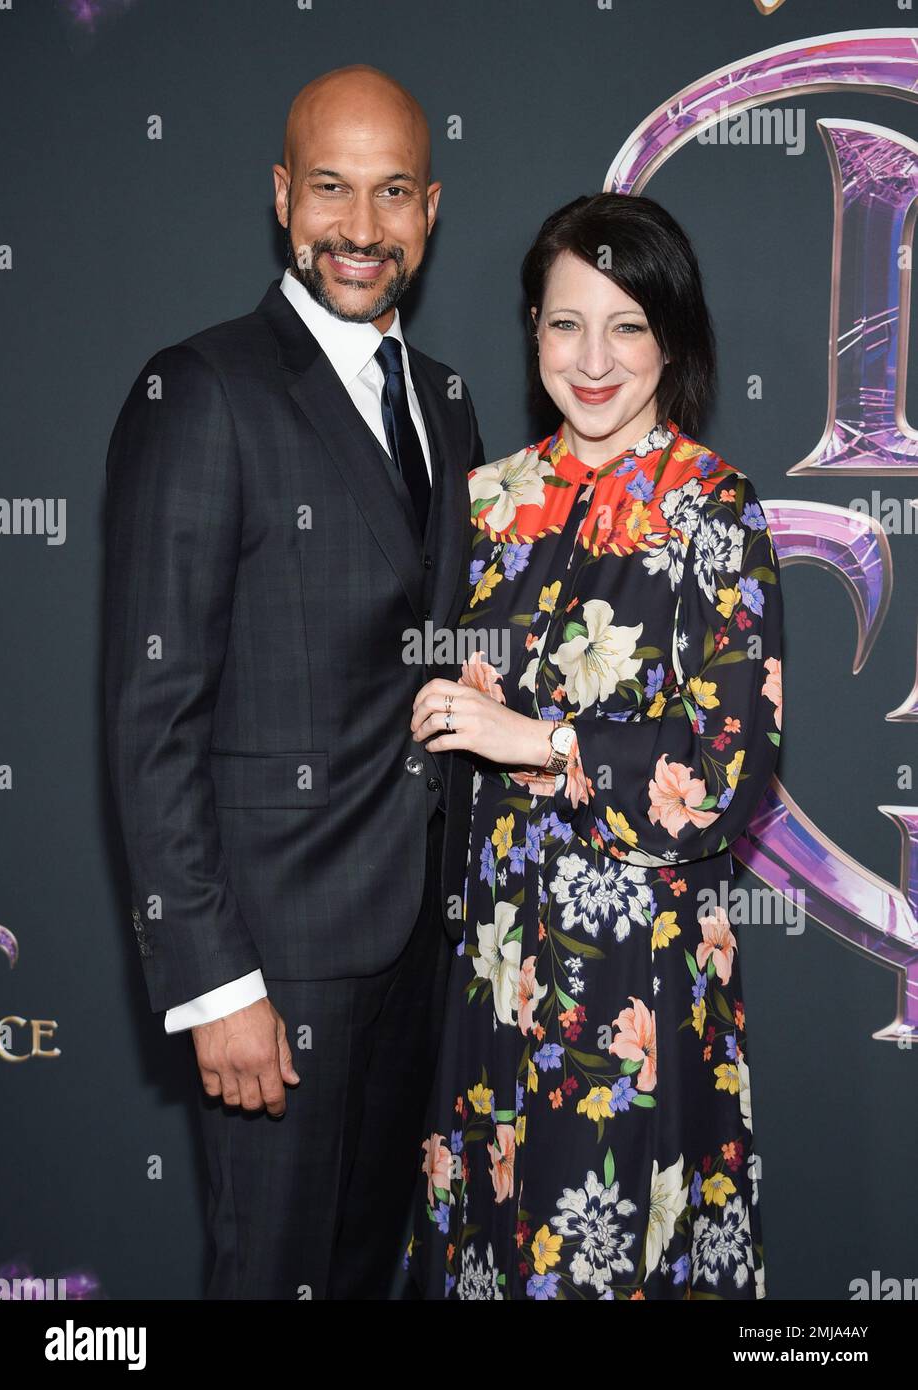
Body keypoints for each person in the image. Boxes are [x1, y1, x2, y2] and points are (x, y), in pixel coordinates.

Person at [103, 65, 482, 1299]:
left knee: (372, 1272)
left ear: (429, 211)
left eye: (388, 196)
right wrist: (215, 984)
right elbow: (153, 719)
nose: (359, 230)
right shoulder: (201, 390)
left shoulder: (447, 403)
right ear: (280, 197)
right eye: (329, 188)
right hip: (276, 962)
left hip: (423, 950)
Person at [403, 191, 784, 1300]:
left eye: (626, 324)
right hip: (489, 967)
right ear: (531, 330)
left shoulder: (713, 507)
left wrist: (536, 738)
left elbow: (724, 767)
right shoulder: (482, 503)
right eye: (566, 322)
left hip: (638, 977)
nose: (594, 357)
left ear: (670, 335)